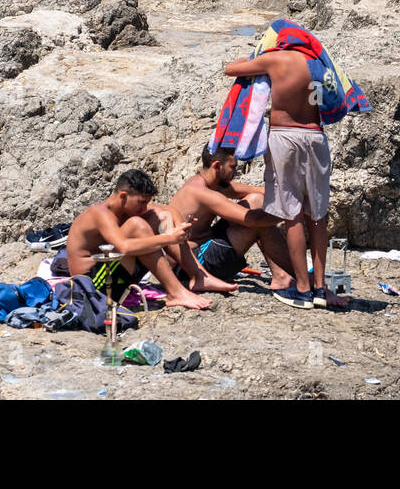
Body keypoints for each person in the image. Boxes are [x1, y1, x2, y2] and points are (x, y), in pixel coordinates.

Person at [223, 42, 345, 309]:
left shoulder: (275, 59)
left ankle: (302, 290)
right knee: (317, 215)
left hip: (285, 136)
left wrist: (254, 56)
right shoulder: (318, 63)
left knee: (292, 215)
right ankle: (320, 290)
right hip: (316, 137)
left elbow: (230, 69)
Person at [64, 168, 211, 310]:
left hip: (115, 272)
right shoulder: (101, 213)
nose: (144, 207)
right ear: (123, 196)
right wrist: (169, 238)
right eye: (141, 202)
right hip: (93, 285)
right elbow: (124, 247)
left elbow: (166, 210)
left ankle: (198, 276)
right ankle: (176, 292)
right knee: (137, 225)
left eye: (146, 202)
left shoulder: (127, 208)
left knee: (158, 216)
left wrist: (180, 225)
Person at [166, 144, 296, 292]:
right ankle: (297, 278)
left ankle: (281, 275)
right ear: (217, 166)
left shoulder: (209, 182)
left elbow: (255, 191)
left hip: (202, 247)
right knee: (257, 225)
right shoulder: (202, 192)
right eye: (233, 167)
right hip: (189, 265)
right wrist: (292, 213)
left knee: (255, 200)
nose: (236, 172)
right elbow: (253, 220)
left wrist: (294, 195)